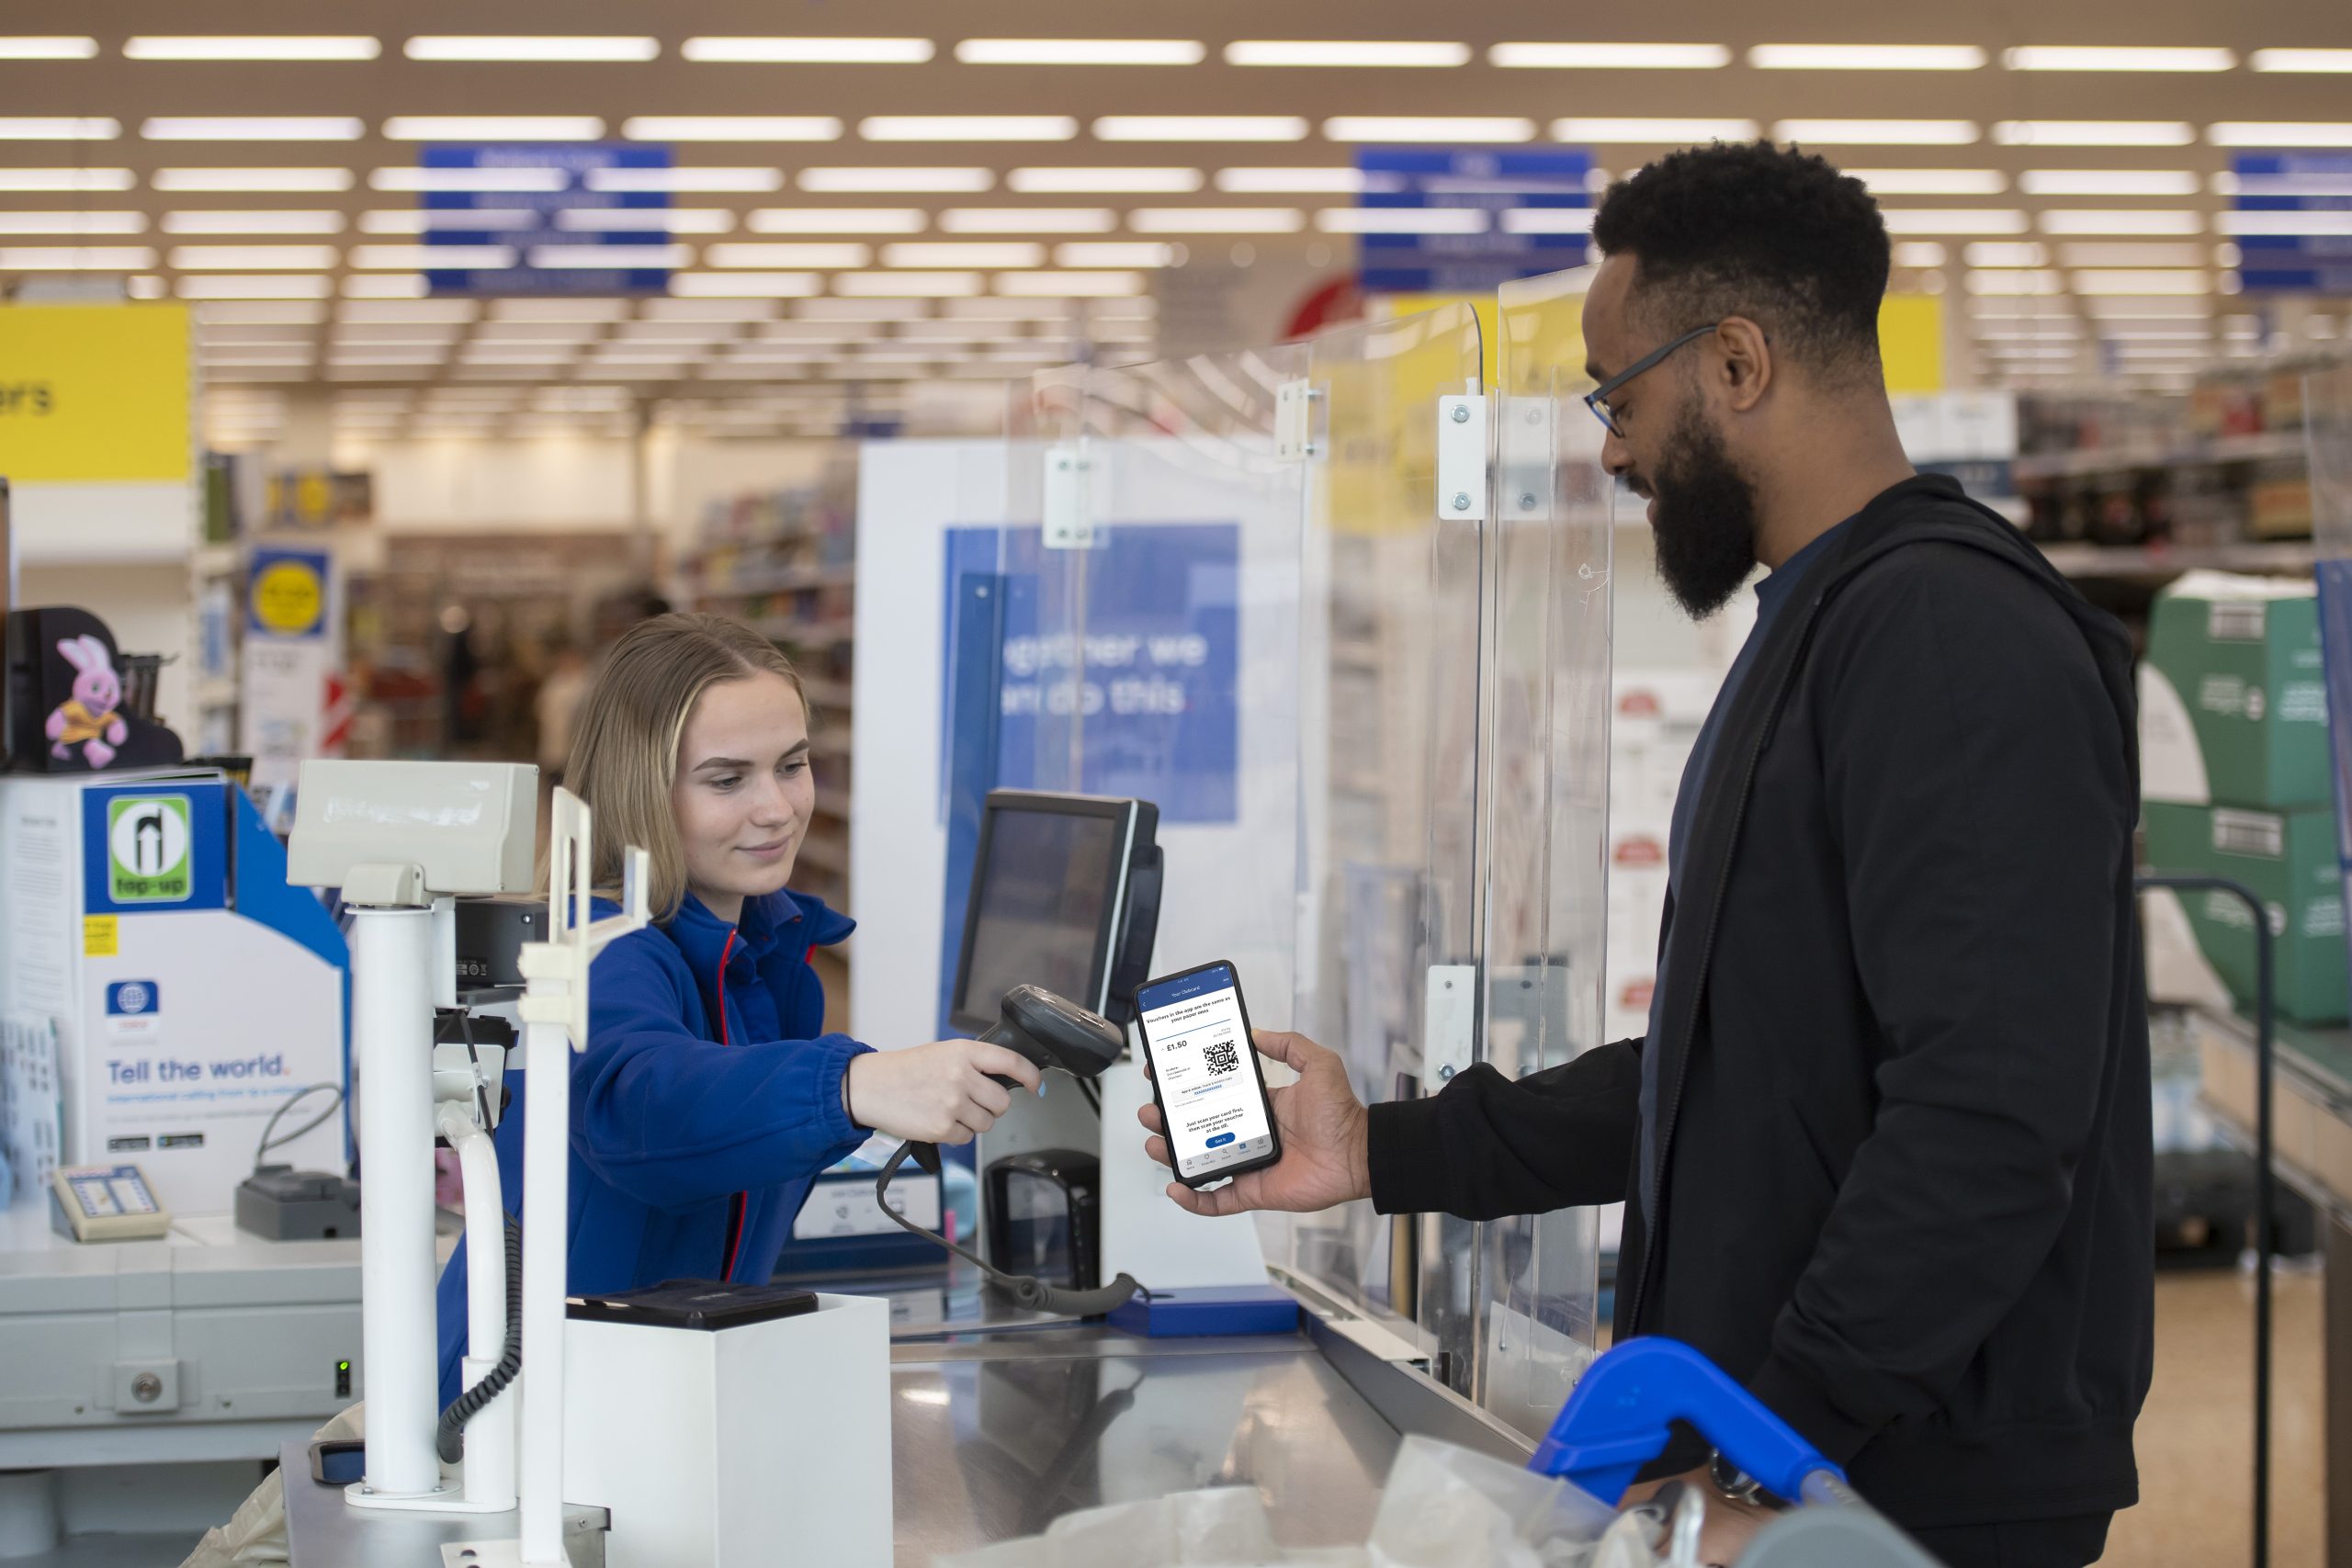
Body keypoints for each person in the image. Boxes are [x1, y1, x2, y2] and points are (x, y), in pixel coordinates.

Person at [1140, 142, 2151, 1568]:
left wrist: (1766, 1450)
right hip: (1811, 1449)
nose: (1611, 447)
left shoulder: (1946, 636)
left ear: (1734, 361)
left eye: (1622, 394)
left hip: (1905, 1480)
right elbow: (1731, 1064)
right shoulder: (1817, 622)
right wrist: (1384, 1147)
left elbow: (1987, 1120)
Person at [435, 613, 1040, 1407]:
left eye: (792, 764)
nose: (778, 808)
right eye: (727, 780)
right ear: (642, 787)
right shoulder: (604, 947)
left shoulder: (766, 956)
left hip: (651, 1397)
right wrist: (852, 1085)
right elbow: (645, 1104)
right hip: (525, 1418)